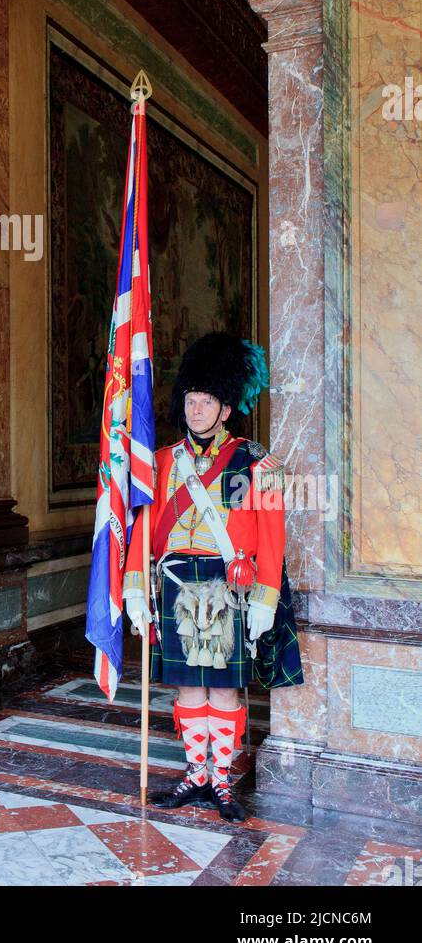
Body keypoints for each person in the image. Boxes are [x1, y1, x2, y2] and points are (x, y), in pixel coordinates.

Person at [124, 333, 302, 822]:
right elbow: (141, 532)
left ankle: (221, 777)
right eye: (190, 400)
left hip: (229, 588)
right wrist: (136, 590)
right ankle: (195, 774)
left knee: (223, 689)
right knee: (186, 687)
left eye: (206, 402)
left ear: (226, 408)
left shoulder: (253, 462)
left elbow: (272, 534)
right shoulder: (160, 463)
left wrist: (265, 599)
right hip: (176, 584)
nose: (196, 409)